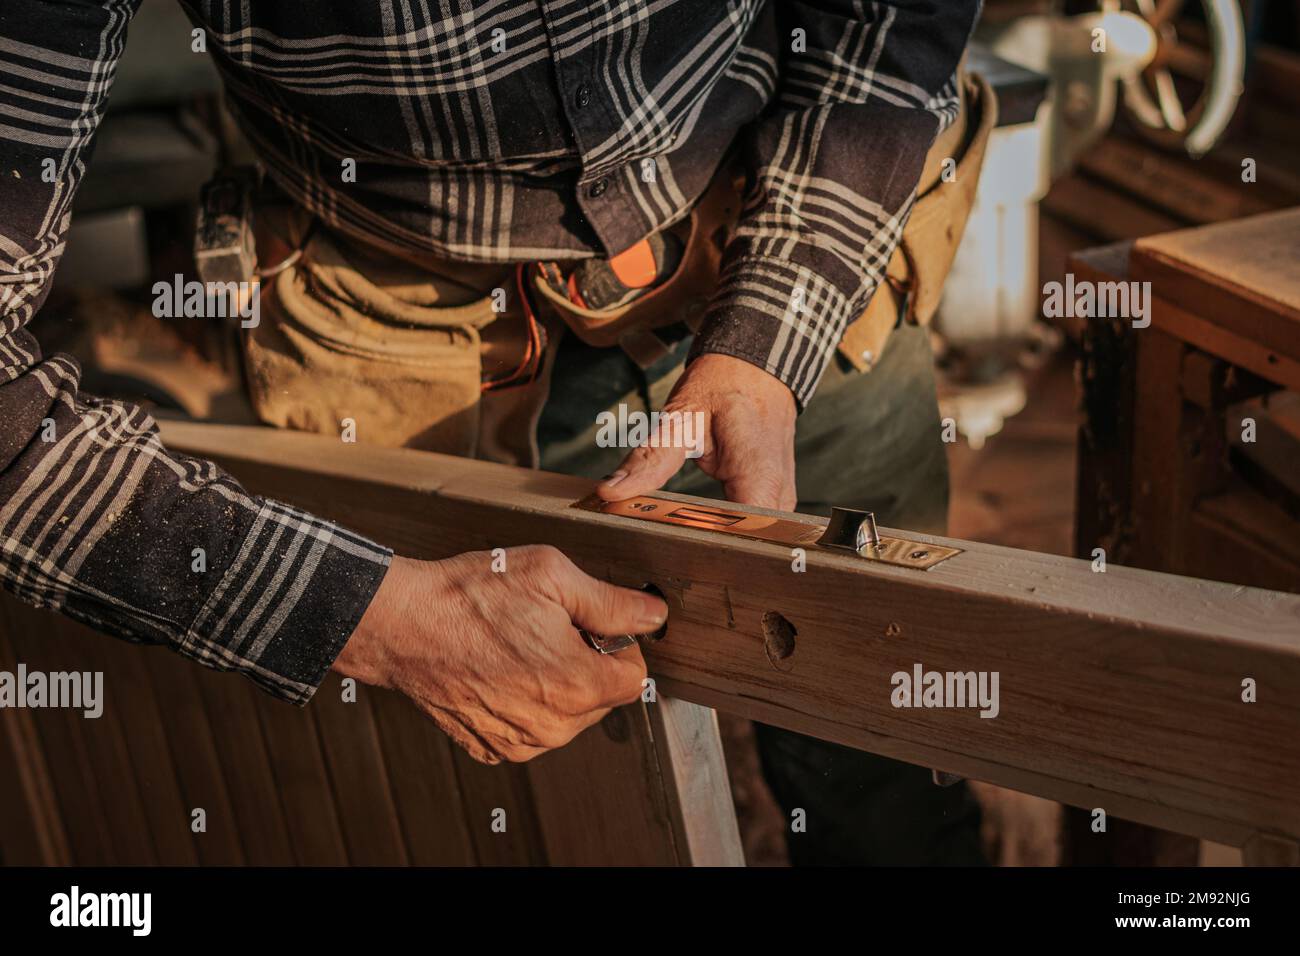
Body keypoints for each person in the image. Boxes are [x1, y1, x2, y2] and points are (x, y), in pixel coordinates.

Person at [1, 0, 985, 863]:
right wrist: (368, 614)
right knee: (488, 799)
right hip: (395, 336)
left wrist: (775, 328)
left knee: (886, 763)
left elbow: (891, 21)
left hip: (784, 230)